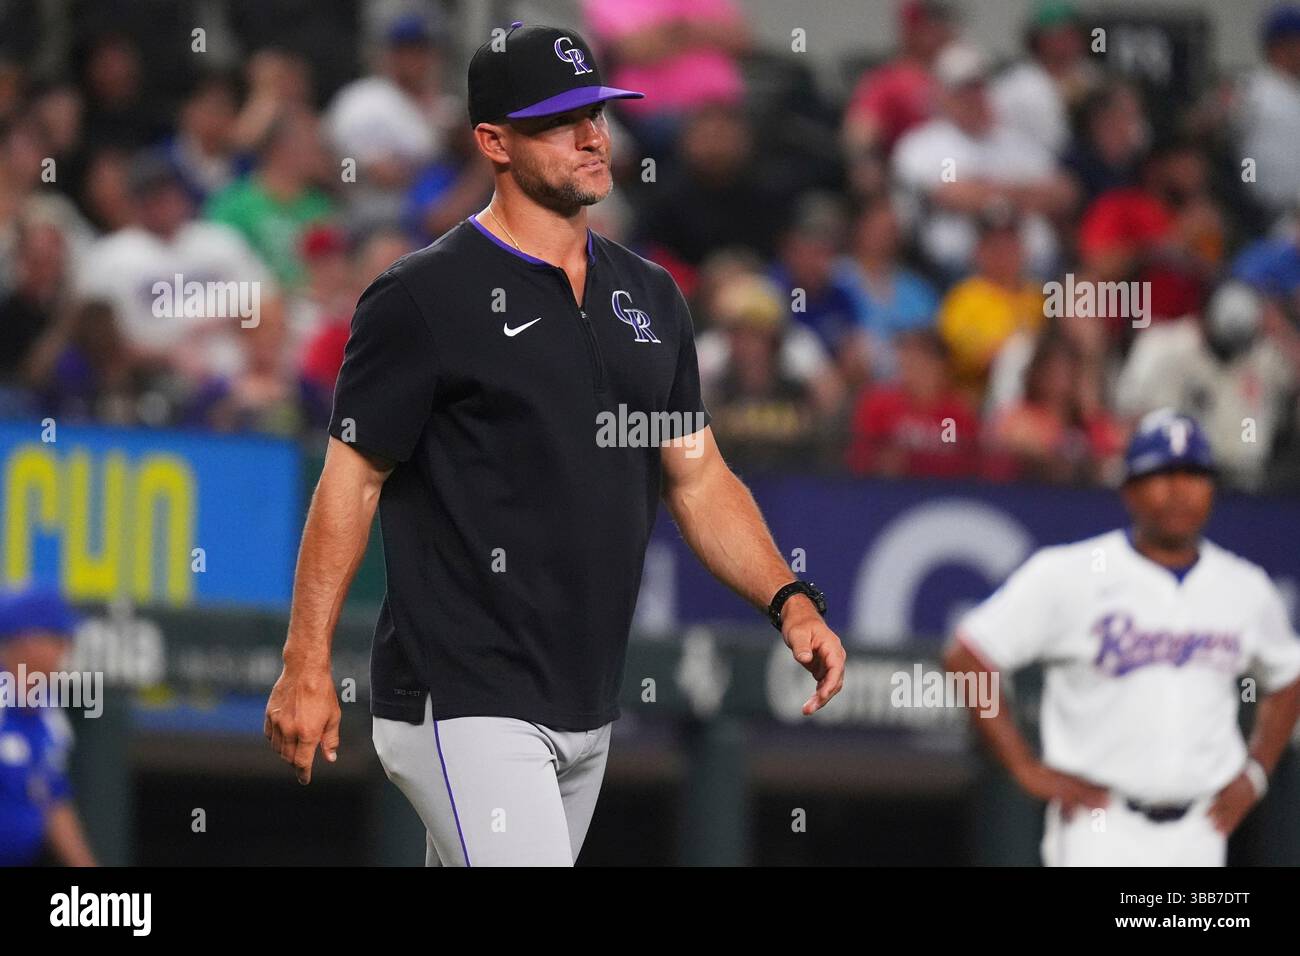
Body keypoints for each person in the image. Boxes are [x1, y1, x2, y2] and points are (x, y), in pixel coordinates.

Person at [263, 21, 846, 867]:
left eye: (597, 113)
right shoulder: (424, 295)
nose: (591, 136)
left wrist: (788, 597)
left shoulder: (650, 295)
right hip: (461, 690)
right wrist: (305, 661)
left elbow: (697, 476)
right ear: (493, 142)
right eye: (559, 120)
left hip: (585, 697)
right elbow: (348, 481)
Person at [943, 409, 1300, 866]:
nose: (1179, 490)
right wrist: (1023, 767)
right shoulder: (1070, 573)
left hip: (1203, 828)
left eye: (1194, 474)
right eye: (1162, 474)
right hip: (1100, 826)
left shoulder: (1244, 587)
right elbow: (967, 654)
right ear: (1129, 489)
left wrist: (1256, 773)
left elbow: (1287, 676)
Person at [0, 590, 97, 867]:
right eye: (57, 638)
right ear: (27, 640)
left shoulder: (49, 714)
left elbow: (53, 799)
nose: (66, 648)